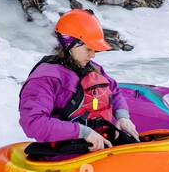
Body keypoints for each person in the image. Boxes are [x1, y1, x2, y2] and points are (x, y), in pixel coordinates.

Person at [18, 9, 141, 158]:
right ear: (69, 44)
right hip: (65, 155)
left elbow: (113, 90)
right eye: (88, 48)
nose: (93, 54)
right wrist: (82, 132)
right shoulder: (45, 79)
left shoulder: (93, 68)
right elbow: (33, 123)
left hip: (98, 147)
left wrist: (122, 117)